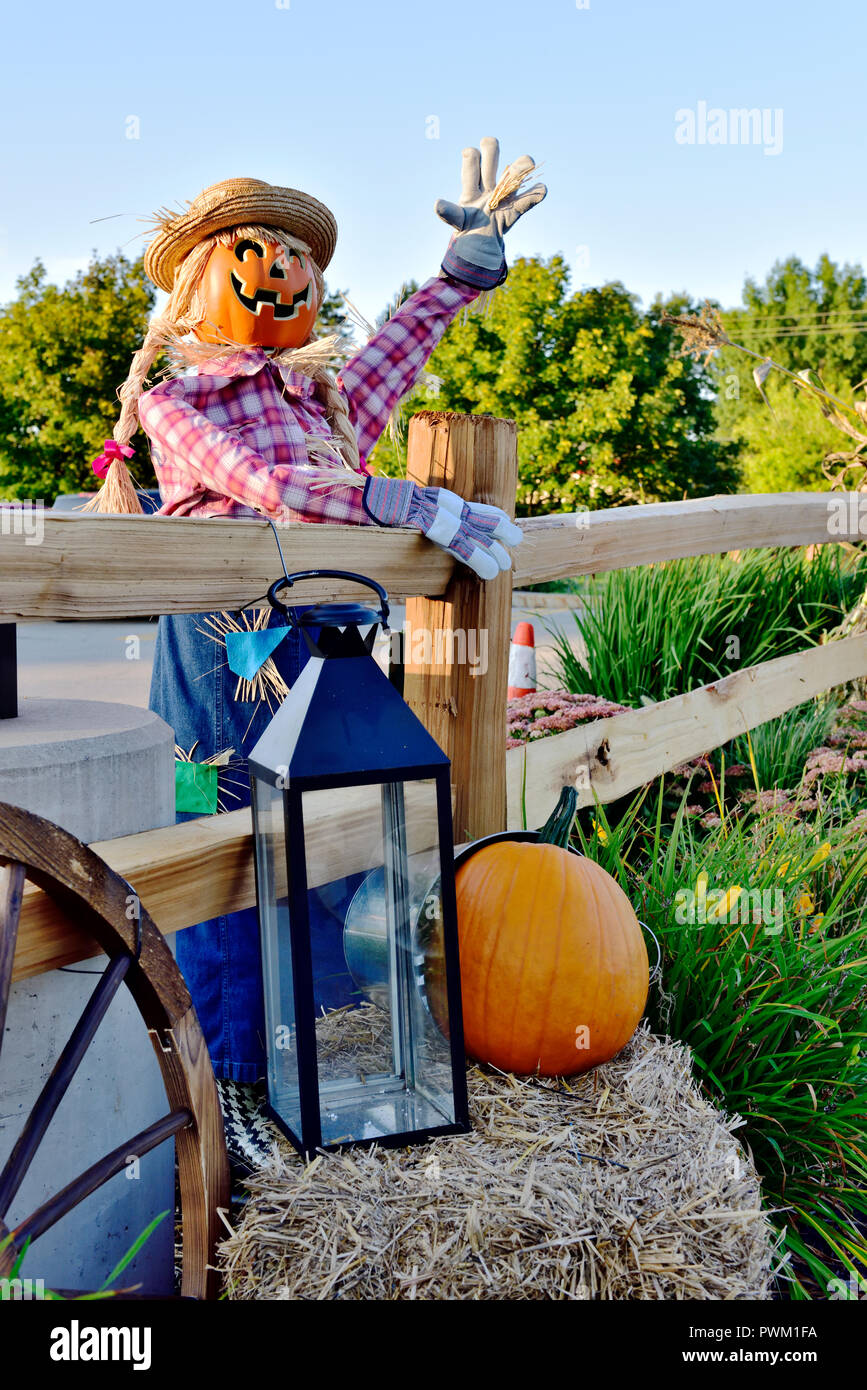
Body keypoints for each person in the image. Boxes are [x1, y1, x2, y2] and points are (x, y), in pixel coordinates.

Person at [92, 139, 546, 1168]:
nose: (282, 272)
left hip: (328, 641)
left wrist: (457, 276)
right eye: (259, 251)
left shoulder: (324, 403)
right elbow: (267, 484)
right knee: (237, 853)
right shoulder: (180, 405)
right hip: (231, 646)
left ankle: (337, 1059)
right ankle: (240, 1080)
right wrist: (406, 500)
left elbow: (389, 359)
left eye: (298, 256)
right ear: (208, 279)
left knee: (338, 842)